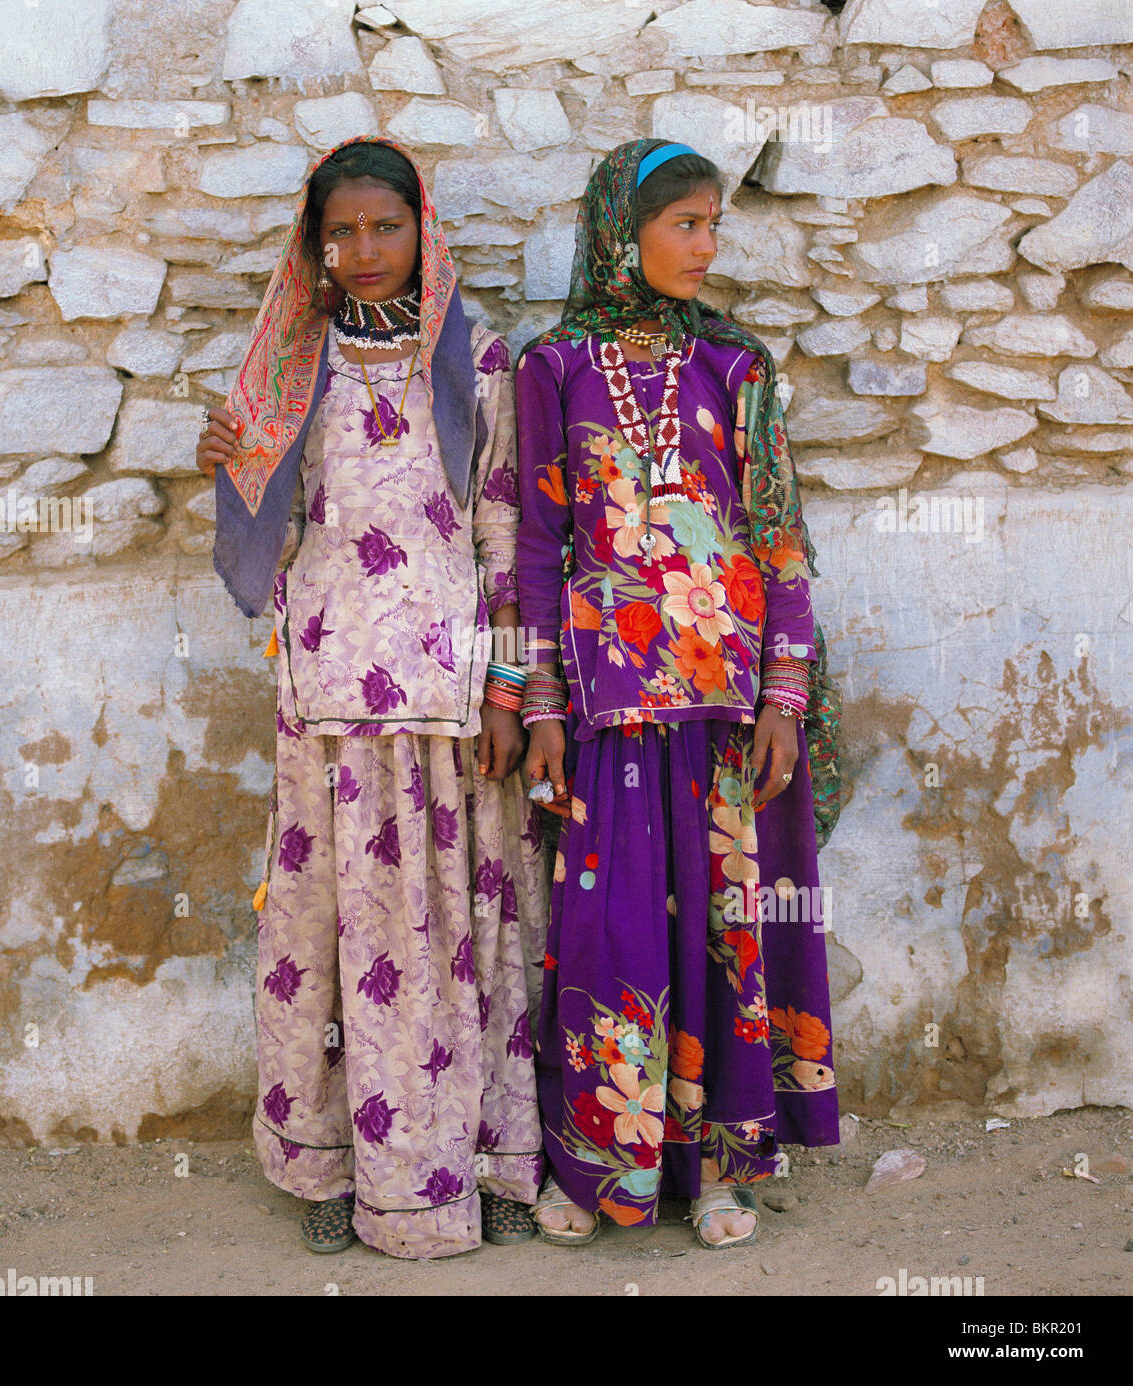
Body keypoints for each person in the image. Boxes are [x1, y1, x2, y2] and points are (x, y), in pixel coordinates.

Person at [199, 136, 549, 1259]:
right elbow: (278, 533)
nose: (362, 251)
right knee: (329, 940)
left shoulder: (480, 362)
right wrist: (234, 463)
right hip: (331, 699)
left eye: (383, 227)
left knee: (462, 939)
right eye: (339, 232)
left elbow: (505, 529)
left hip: (448, 703)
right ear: (315, 244)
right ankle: (331, 1167)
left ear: (421, 228)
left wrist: (507, 687)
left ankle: (487, 1156)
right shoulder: (290, 369)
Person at [515, 138, 842, 1248]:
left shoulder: (737, 367)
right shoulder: (551, 368)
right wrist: (541, 702)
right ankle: (593, 1171)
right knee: (606, 942)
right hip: (608, 715)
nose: (707, 246)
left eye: (714, 224)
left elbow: (778, 537)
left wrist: (784, 695)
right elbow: (533, 542)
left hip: (721, 709)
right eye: (685, 224)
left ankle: (720, 1174)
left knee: (721, 936)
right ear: (624, 232)